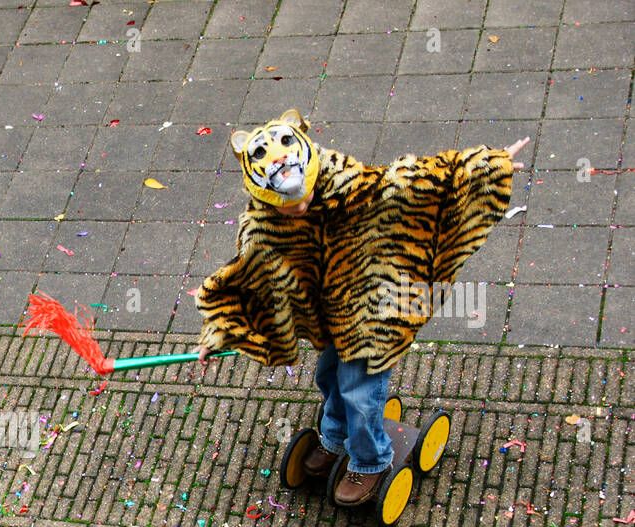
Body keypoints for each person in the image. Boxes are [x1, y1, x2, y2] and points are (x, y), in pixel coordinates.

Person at [194, 109, 527, 506]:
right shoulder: (264, 227)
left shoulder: (353, 186)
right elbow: (247, 280)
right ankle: (335, 438)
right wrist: (220, 332)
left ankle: (371, 461)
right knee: (329, 375)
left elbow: (414, 182)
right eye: (285, 204)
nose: (296, 208)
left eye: (302, 197)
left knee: (358, 389)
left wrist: (485, 168)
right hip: (333, 315)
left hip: (378, 304)